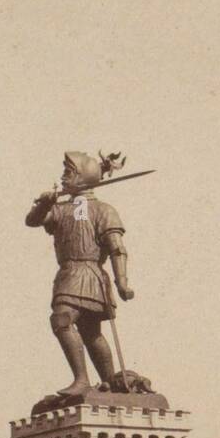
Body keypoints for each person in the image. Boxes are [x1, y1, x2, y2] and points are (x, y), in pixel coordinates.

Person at [26, 151, 133, 397]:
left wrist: (122, 282)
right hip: (67, 273)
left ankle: (83, 380)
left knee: (63, 319)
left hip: (89, 271)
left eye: (68, 172)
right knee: (89, 330)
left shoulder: (103, 210)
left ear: (83, 176)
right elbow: (32, 221)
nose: (63, 178)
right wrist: (43, 203)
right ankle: (109, 382)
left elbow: (117, 249)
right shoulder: (61, 209)